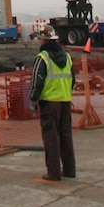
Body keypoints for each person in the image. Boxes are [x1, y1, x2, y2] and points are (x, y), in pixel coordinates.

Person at [29, 23, 76, 181]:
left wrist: (33, 100)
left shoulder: (42, 58)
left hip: (49, 103)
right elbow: (72, 80)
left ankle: (53, 172)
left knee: (51, 136)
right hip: (65, 101)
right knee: (66, 135)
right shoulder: (67, 57)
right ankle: (69, 170)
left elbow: (37, 81)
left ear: (43, 40)